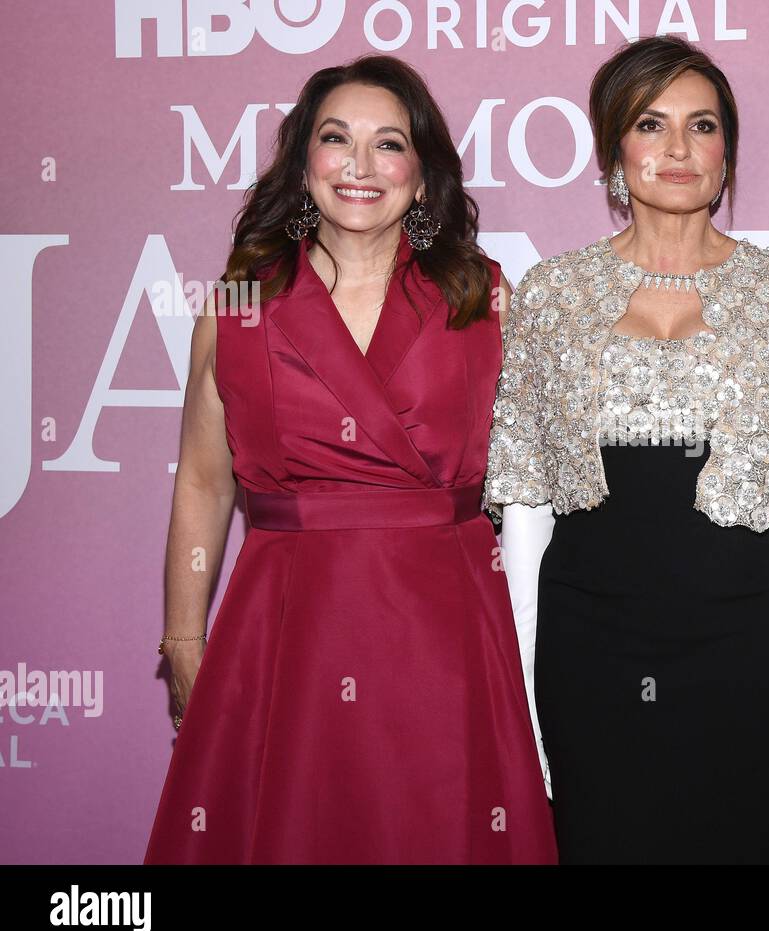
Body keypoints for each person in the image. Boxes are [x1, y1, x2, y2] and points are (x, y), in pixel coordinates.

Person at [144, 54, 557, 864]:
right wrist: (184, 641)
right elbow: (202, 479)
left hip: (445, 629)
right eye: (336, 140)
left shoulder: (487, 297)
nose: (361, 167)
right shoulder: (238, 305)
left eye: (389, 144)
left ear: (422, 171)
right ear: (303, 164)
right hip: (289, 628)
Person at [484, 36, 769, 863]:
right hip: (590, 648)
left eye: (702, 126)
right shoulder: (553, 295)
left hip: (745, 650)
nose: (677, 149)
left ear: (726, 155)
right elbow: (527, 504)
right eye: (650, 124)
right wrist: (528, 683)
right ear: (613, 152)